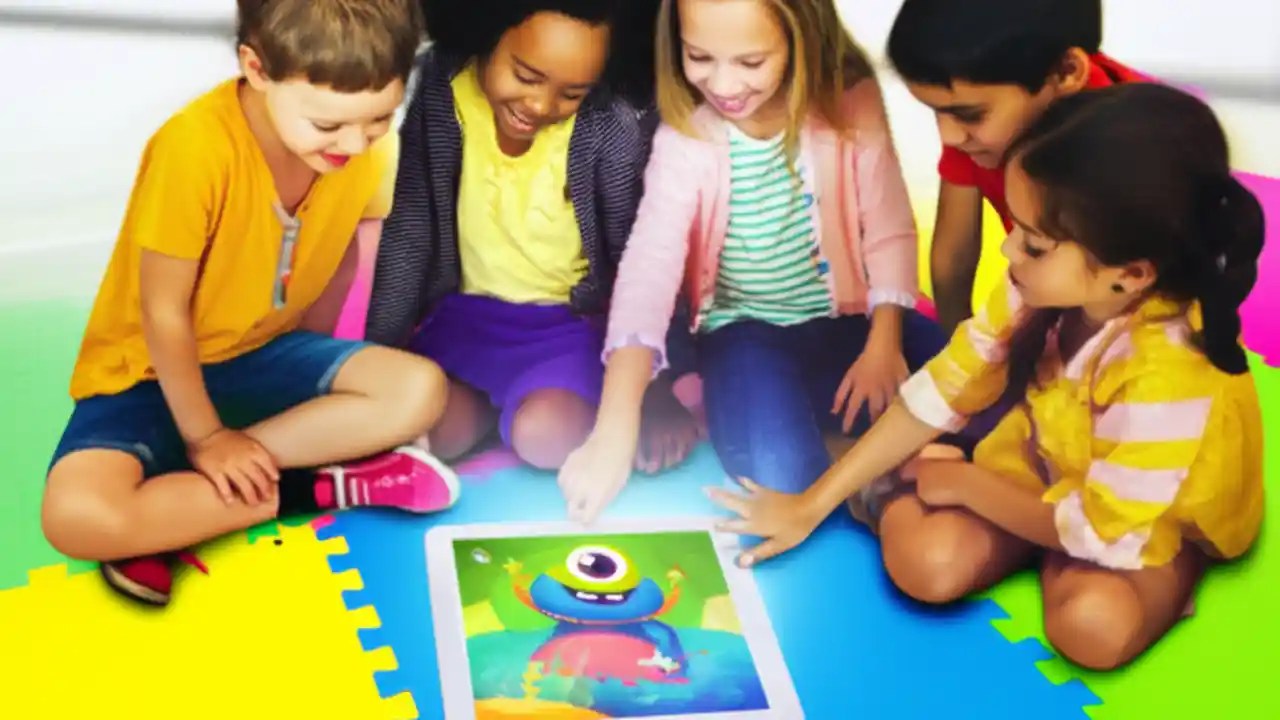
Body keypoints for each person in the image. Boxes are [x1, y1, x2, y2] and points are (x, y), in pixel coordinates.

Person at [710, 83, 1265, 671]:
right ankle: (981, 518)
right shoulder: (1037, 287)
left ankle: (1058, 546)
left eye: (1034, 243)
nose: (1008, 253)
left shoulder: (1169, 374)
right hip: (1051, 466)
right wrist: (813, 503)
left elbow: (1107, 532)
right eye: (1017, 230)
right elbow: (940, 388)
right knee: (928, 566)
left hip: (1142, 522)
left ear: (1128, 276)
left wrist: (965, 488)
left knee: (1092, 628)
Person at [40, 0, 459, 608]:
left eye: (378, 118)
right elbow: (164, 313)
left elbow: (340, 255)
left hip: (262, 355)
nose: (355, 141)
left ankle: (181, 509)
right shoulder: (193, 149)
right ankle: (307, 487)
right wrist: (208, 439)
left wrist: (313, 375)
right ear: (257, 69)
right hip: (150, 370)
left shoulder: (365, 147)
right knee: (75, 517)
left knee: (419, 390)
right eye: (329, 126)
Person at [559, 0, 956, 523]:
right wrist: (615, 424)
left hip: (854, 323)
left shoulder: (850, 102)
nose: (723, 85)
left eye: (750, 63)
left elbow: (889, 227)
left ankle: (853, 447)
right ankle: (865, 463)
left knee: (990, 399)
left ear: (802, 41)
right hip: (746, 334)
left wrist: (883, 345)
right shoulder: (686, 136)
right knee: (778, 477)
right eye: (699, 56)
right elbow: (649, 268)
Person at [365, 0, 701, 474]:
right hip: (463, 323)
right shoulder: (443, 86)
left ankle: (518, 411)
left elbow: (643, 258)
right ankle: (483, 411)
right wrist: (374, 351)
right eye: (525, 76)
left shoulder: (615, 124)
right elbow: (410, 235)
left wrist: (653, 388)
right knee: (420, 433)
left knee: (543, 438)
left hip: (568, 333)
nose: (542, 106)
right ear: (487, 33)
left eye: (572, 93)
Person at [886, 0, 1144, 334]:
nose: (949, 136)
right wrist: (953, 345)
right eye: (936, 111)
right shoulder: (978, 133)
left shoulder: (1136, 150)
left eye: (969, 115)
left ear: (1067, 72)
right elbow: (953, 257)